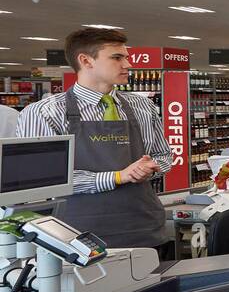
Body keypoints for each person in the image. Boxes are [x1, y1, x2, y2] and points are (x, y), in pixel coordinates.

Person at [15, 27, 171, 250]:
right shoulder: (44, 112)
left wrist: (152, 166)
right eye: (117, 58)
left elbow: (163, 154)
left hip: (144, 229)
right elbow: (45, 180)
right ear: (86, 61)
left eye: (126, 57)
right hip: (76, 237)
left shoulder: (142, 106)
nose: (127, 65)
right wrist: (118, 176)